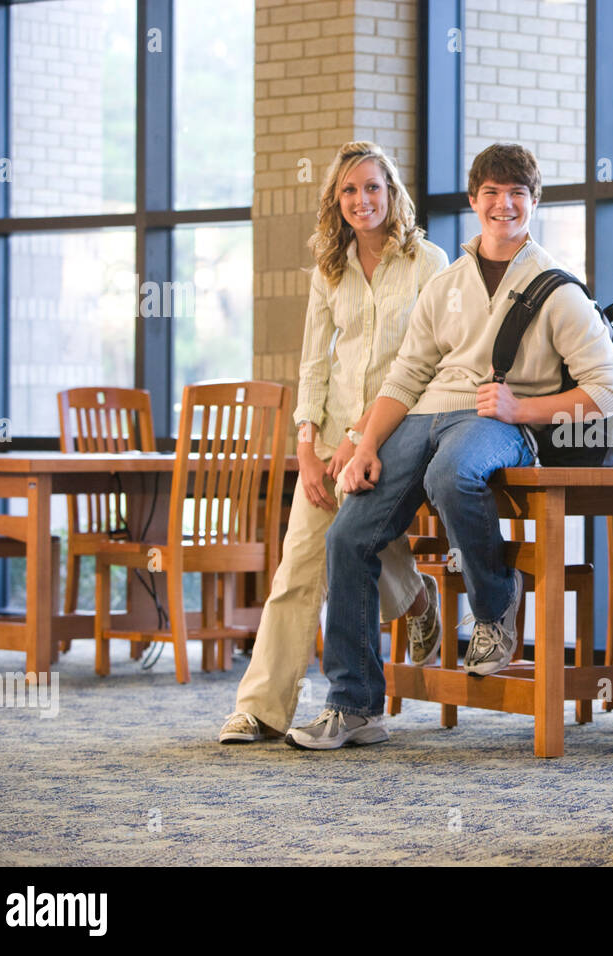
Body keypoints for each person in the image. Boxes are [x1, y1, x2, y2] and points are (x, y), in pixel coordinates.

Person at [284, 142, 613, 750]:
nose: (504, 205)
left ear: (534, 202)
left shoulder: (560, 292)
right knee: (347, 534)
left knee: (451, 477)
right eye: (491, 193)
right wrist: (364, 443)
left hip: (499, 424)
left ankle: (495, 607)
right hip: (424, 414)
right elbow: (405, 377)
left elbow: (609, 392)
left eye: (516, 193)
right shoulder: (446, 285)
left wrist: (524, 408)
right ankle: (355, 705)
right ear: (474, 202)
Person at [219, 142, 448, 744]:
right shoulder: (330, 267)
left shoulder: (430, 262)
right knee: (298, 564)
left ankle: (405, 622)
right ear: (336, 200)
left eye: (372, 187)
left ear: (391, 193)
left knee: (356, 541)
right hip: (328, 437)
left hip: (397, 433)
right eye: (349, 190)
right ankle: (262, 708)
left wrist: (358, 438)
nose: (361, 200)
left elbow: (427, 363)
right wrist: (305, 442)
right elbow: (313, 361)